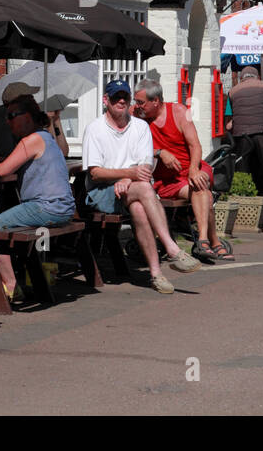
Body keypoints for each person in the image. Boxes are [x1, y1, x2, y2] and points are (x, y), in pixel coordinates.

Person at [82, 79, 201, 294]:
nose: (121, 101)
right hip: (101, 192)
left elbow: (145, 166)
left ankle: (156, 274)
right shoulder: (95, 129)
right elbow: (95, 173)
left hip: (130, 189)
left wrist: (129, 179)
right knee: (145, 189)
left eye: (125, 97)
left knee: (139, 208)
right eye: (116, 96)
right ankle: (172, 249)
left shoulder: (140, 127)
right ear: (105, 100)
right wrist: (129, 174)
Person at [133, 79, 231, 262]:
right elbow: (130, 146)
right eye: (135, 101)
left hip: (191, 168)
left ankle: (202, 241)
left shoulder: (179, 112)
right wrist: (160, 153)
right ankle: (211, 241)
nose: (137, 106)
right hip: (166, 180)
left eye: (140, 102)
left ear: (156, 101)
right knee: (204, 193)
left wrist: (193, 169)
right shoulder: (136, 116)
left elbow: (195, 145)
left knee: (199, 182)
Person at [0, 95, 77, 299]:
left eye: (12, 115)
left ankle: (10, 285)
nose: (7, 121)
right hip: (62, 208)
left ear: (28, 117)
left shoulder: (31, 140)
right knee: (9, 224)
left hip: (47, 207)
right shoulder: (44, 136)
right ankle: (24, 278)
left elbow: (2, 171)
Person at [226, 66, 263, 232]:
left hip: (242, 139)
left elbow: (229, 124)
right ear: (257, 77)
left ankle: (244, 219)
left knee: (243, 176)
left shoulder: (232, 92)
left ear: (242, 78)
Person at [0, 81, 39, 160]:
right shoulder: (2, 117)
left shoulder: (14, 116)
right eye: (29, 98)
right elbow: (9, 154)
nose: (33, 100)